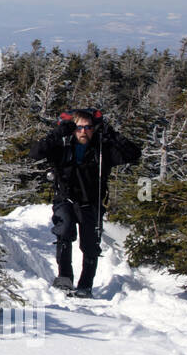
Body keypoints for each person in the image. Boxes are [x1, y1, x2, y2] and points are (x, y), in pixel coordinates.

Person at [28, 108, 141, 297]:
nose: (83, 131)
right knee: (64, 231)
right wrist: (58, 132)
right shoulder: (62, 146)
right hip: (65, 198)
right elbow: (35, 153)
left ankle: (85, 285)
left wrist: (111, 133)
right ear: (72, 128)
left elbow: (133, 154)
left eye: (88, 127)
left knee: (90, 244)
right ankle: (64, 278)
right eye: (78, 127)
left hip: (92, 202)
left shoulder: (102, 149)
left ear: (94, 128)